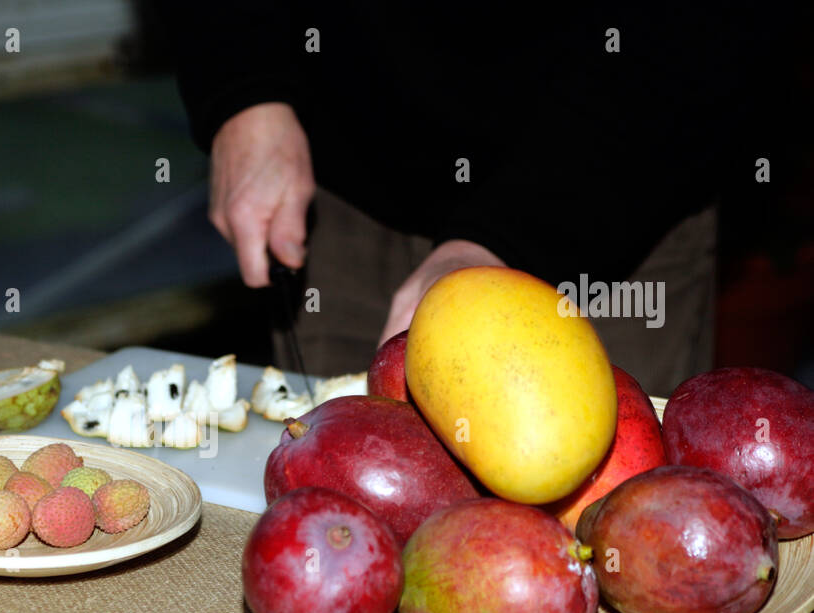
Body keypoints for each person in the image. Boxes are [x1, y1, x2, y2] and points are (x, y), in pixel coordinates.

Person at [160, 5, 788, 395]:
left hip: (612, 196)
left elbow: (711, 27)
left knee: (608, 543)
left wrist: (517, 236)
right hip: (339, 183)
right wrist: (244, 91)